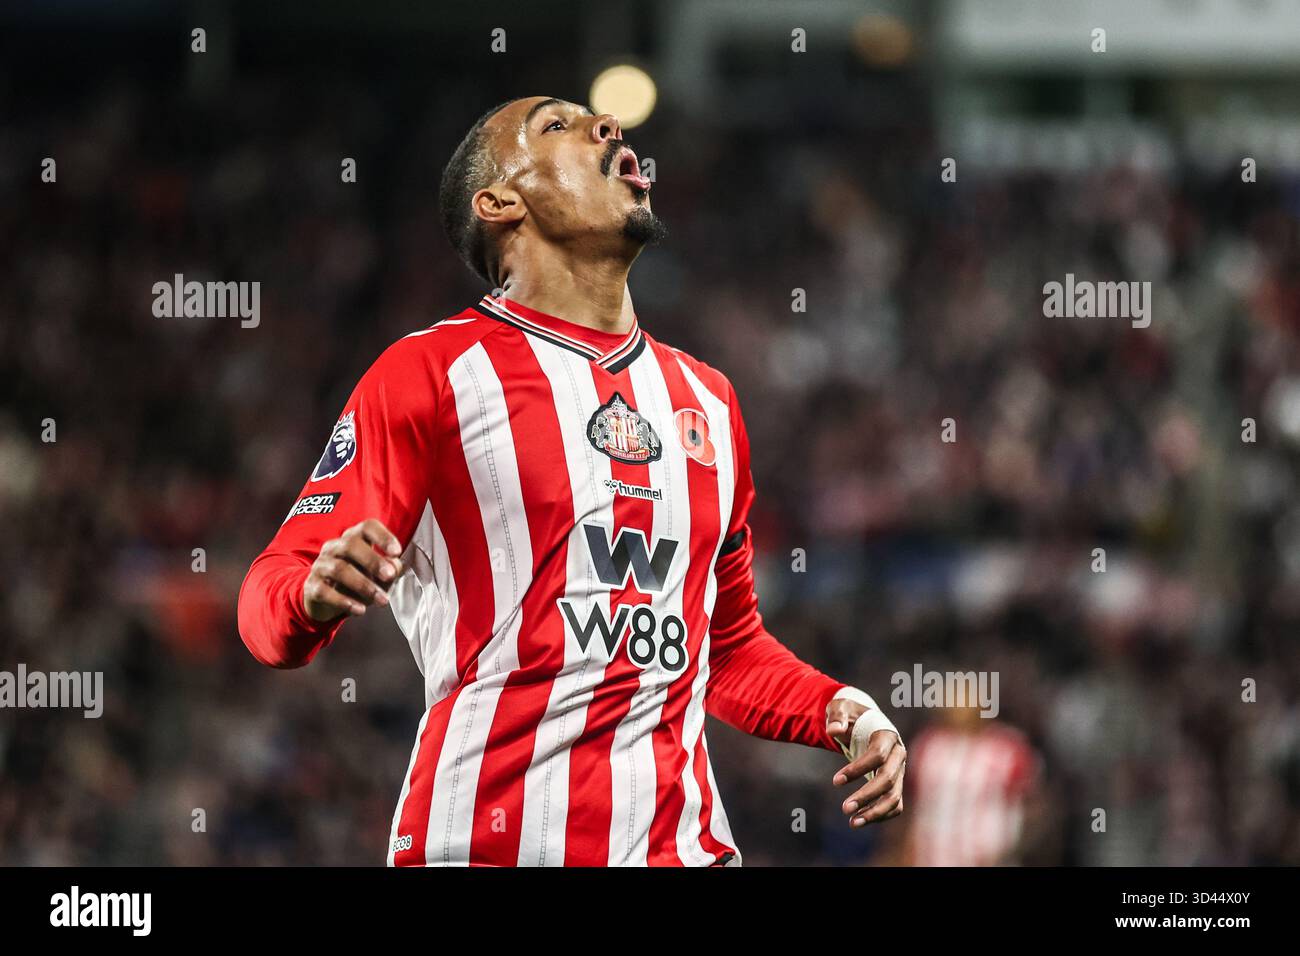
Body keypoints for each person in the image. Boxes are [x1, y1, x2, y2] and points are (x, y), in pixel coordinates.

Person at [237, 96, 905, 866]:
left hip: (680, 851)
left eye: (603, 122)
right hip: (487, 845)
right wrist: (307, 598)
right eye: (559, 125)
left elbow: (723, 650)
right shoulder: (429, 375)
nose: (607, 128)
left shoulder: (709, 402)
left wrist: (844, 711)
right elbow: (267, 595)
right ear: (500, 203)